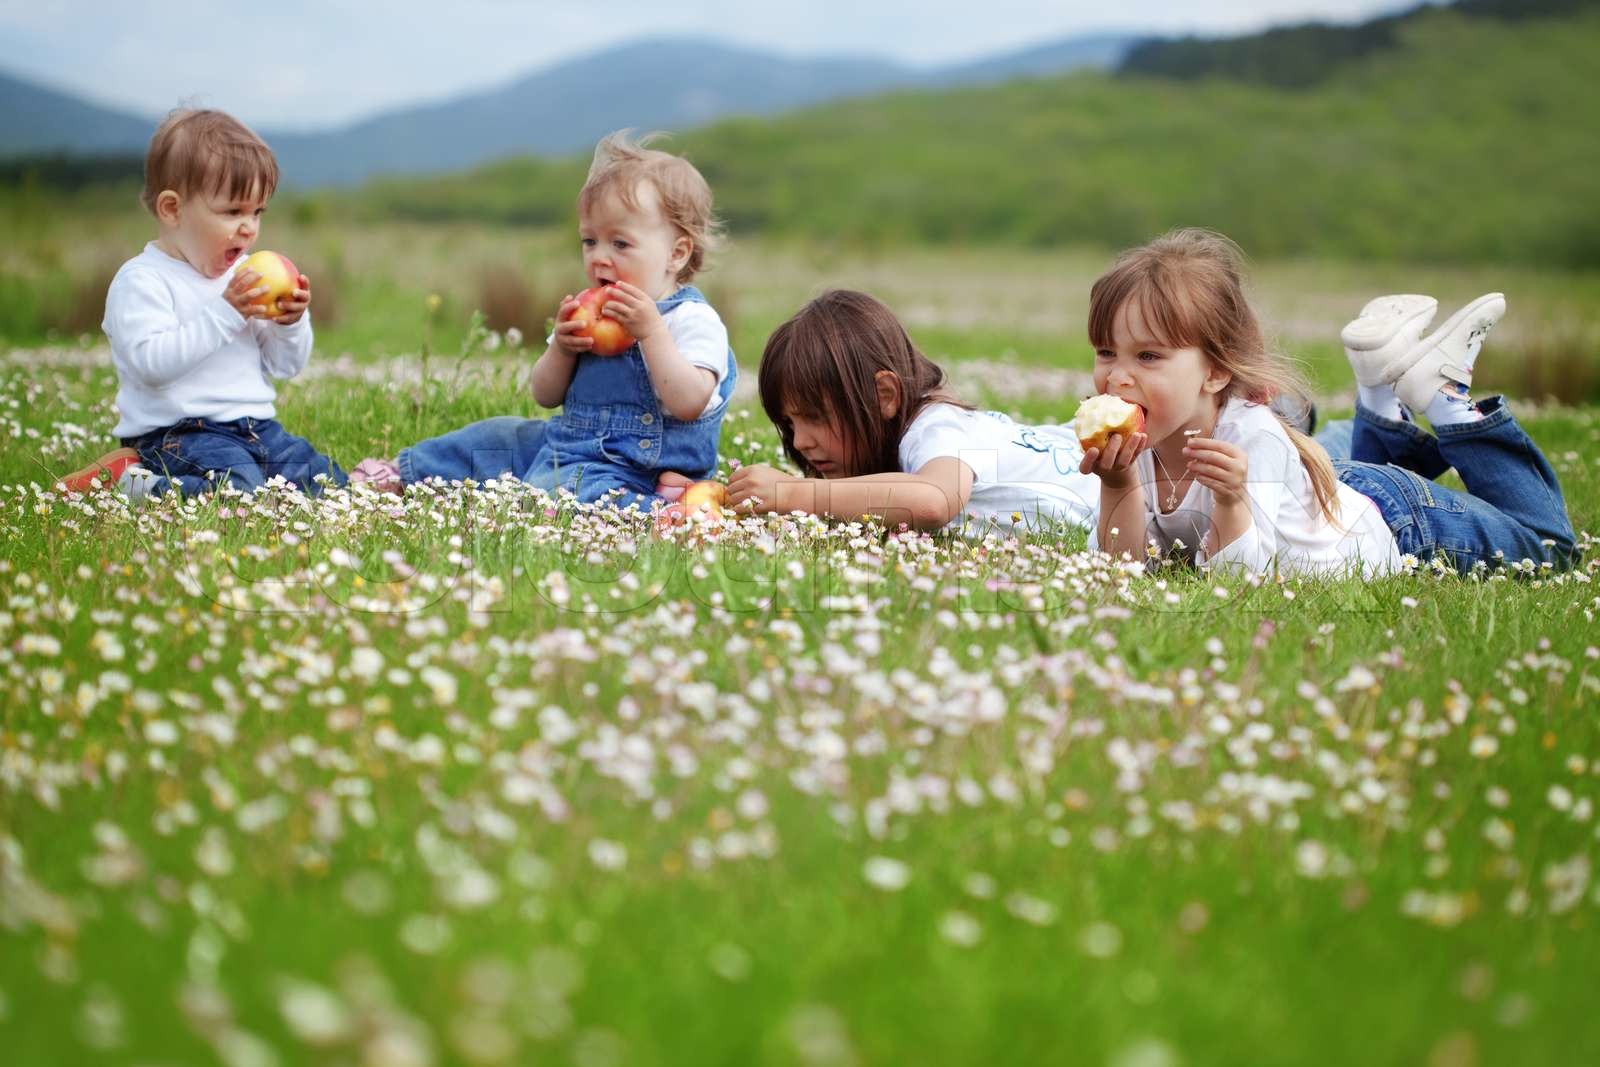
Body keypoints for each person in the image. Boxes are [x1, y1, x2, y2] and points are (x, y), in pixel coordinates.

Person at [1080, 228, 1576, 576]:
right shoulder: (1148, 441)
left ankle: (1446, 399)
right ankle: (1380, 393)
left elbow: (1240, 579)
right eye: (1106, 352)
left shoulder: (1253, 441)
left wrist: (1231, 502)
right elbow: (1120, 567)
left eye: (1148, 356)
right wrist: (1117, 482)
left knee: (1550, 548)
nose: (1118, 377)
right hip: (1332, 489)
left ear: (1215, 371)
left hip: (1398, 523)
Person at [350, 131, 735, 509]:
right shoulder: (586, 315)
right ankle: (407, 473)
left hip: (643, 468)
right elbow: (544, 394)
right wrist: (563, 349)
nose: (600, 257)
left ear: (676, 254)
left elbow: (689, 401)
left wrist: (651, 332)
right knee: (498, 436)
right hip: (567, 444)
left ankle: (663, 512)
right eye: (589, 241)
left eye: (620, 243)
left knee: (563, 488)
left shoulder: (692, 320)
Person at [60, 108, 343, 499]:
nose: (249, 227)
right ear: (173, 209)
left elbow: (286, 366)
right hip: (180, 435)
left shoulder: (245, 276)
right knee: (236, 496)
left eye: (257, 211)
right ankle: (126, 480)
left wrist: (289, 323)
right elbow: (152, 366)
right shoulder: (142, 281)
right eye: (232, 211)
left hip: (258, 429)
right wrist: (226, 313)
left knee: (330, 484)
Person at [713, 289, 1098, 534]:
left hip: (1117, 495)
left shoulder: (935, 428)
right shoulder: (919, 441)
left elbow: (933, 501)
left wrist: (795, 493)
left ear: (884, 395)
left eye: (816, 417)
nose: (800, 441)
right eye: (789, 423)